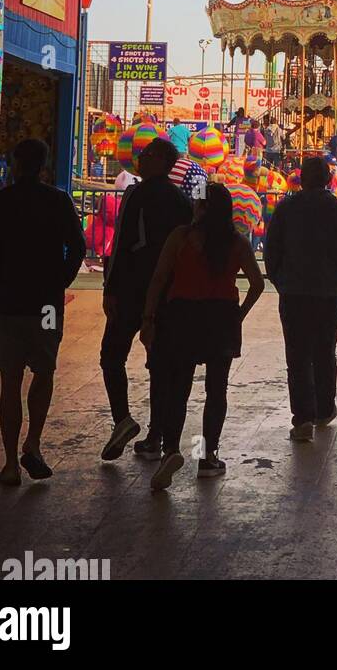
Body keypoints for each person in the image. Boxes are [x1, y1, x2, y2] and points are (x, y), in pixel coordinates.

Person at [0, 139, 86, 486]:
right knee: (44, 370)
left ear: (16, 165)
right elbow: (77, 248)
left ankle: (9, 464)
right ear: (44, 166)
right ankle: (33, 443)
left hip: (8, 305)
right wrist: (58, 282)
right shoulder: (59, 201)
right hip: (47, 305)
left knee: (10, 380)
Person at [142, 183, 264, 489]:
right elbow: (257, 283)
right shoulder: (236, 242)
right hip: (221, 318)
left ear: (203, 208)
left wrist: (148, 318)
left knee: (177, 386)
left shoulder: (181, 237)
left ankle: (171, 449)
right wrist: (239, 314)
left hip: (182, 316)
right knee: (216, 389)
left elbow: (158, 278)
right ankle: (208, 457)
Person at [98, 137, 193, 462]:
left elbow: (122, 241)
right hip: (166, 293)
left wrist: (109, 288)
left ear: (159, 161)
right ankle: (156, 435)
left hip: (131, 290)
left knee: (112, 356)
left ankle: (123, 420)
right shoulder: (181, 199)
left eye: (148, 153)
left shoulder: (136, 194)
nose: (141, 157)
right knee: (159, 363)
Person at [265, 156, 337, 441]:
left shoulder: (286, 209)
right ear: (329, 180)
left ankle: (302, 417)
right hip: (329, 293)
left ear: (301, 179)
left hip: (294, 292)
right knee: (324, 352)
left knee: (297, 356)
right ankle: (324, 409)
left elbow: (272, 249)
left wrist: (279, 280)